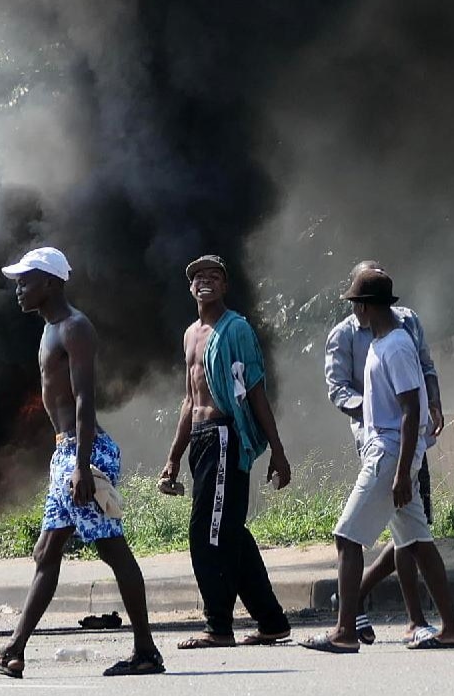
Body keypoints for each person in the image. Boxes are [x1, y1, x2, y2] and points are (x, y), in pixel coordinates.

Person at [0, 247, 164, 678]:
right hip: (68, 451)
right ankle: (14, 651)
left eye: (27, 279)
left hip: (84, 451)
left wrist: (79, 464)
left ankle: (147, 651)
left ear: (53, 283)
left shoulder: (75, 328)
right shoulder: (50, 330)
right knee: (46, 552)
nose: (19, 288)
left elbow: (84, 399)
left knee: (113, 549)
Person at [303, 268, 454, 654]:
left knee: (346, 537)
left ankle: (344, 631)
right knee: (418, 542)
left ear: (365, 307)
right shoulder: (382, 341)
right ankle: (453, 627)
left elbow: (411, 410)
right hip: (393, 452)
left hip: (389, 453)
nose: (354, 312)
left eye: (355, 304)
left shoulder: (394, 345)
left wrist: (401, 471)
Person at [155, 254, 294, 649]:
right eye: (198, 277)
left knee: (208, 534)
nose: (205, 282)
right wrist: (173, 459)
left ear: (225, 286)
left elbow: (254, 390)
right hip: (199, 439)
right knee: (230, 532)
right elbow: (188, 399)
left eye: (214, 276)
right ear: (190, 287)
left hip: (223, 437)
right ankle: (271, 621)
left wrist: (278, 453)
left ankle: (218, 627)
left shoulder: (236, 330)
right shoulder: (190, 335)